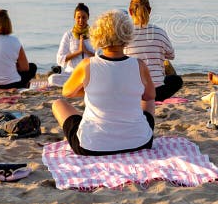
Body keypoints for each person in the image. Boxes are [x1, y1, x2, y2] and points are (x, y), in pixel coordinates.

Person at [51, 10, 156, 156]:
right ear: (127, 34)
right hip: (139, 143)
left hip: (92, 146)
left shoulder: (87, 64)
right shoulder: (139, 65)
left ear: (98, 34)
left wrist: (93, 89)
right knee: (149, 102)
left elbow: (67, 92)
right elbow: (150, 95)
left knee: (58, 104)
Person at [124, 0, 182, 101]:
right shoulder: (159, 32)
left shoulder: (124, 35)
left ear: (130, 11)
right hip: (156, 91)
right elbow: (171, 56)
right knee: (176, 80)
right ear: (149, 10)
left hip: (133, 92)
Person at [0, 9, 37, 89]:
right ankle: (24, 85)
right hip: (13, 84)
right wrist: (13, 65)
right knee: (32, 67)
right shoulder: (14, 40)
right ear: (8, 23)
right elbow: (25, 67)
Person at [49, 3, 95, 87]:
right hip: (72, 73)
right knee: (52, 78)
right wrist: (78, 52)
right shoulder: (68, 35)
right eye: (78, 17)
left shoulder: (94, 34)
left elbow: (101, 57)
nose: (81, 20)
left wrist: (86, 51)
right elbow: (60, 58)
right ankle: (79, 84)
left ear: (88, 17)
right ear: (74, 18)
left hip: (90, 72)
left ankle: (80, 85)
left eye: (84, 17)